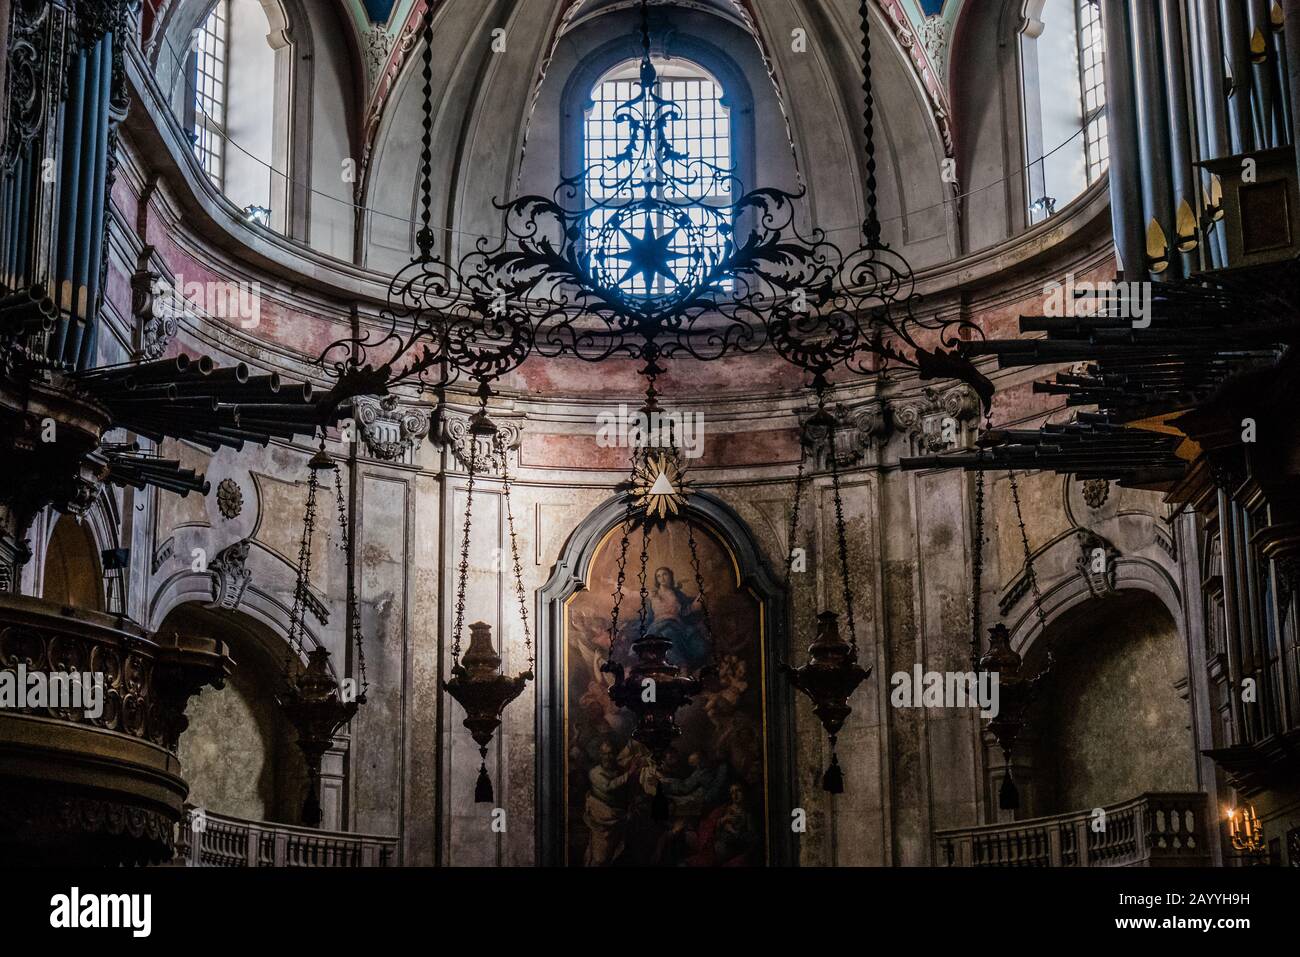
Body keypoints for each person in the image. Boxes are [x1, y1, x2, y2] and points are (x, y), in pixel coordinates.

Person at [583, 740, 640, 866]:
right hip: (601, 818)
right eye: (605, 754)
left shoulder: (618, 770)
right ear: (600, 755)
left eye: (611, 754)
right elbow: (608, 786)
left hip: (618, 818)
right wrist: (629, 774)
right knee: (600, 858)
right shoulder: (594, 772)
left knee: (616, 853)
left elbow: (628, 791)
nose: (608, 757)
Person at [645, 566, 710, 670]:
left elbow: (686, 611)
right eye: (659, 576)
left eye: (665, 574)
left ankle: (690, 668)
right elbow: (648, 617)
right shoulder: (653, 595)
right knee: (668, 634)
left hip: (678, 625)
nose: (662, 578)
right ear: (656, 579)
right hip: (659, 626)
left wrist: (701, 597)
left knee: (700, 646)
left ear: (670, 576)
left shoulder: (677, 594)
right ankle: (682, 666)